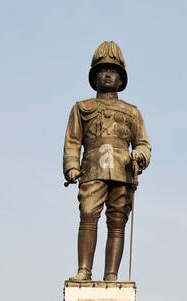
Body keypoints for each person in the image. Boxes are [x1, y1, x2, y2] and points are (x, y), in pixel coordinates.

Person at [63, 41, 151, 282]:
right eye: (104, 70)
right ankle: (84, 271)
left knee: (117, 221)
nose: (109, 74)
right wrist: (72, 166)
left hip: (122, 172)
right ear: (95, 76)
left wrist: (140, 155)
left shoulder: (132, 112)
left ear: (121, 78)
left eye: (113, 70)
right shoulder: (82, 109)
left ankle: (111, 275)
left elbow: (142, 142)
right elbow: (72, 141)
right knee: (88, 214)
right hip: (92, 170)